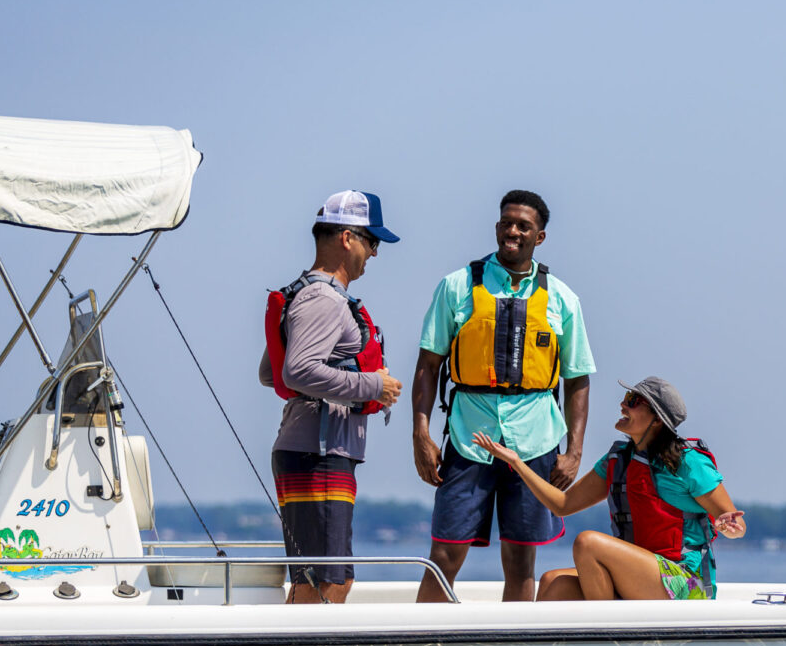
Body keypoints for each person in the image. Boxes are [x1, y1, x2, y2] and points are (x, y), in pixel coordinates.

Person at [411, 190, 594, 602]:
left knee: (520, 558)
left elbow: (578, 378)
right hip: (469, 435)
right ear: (496, 228)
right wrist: (420, 434)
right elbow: (427, 365)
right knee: (446, 551)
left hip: (536, 439)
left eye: (523, 226)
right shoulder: (457, 286)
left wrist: (575, 451)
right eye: (507, 223)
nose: (513, 231)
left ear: (539, 236)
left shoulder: (563, 298)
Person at [469, 376, 745, 601]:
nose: (623, 405)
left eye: (633, 402)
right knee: (553, 582)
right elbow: (562, 505)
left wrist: (729, 527)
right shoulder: (619, 460)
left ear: (657, 419)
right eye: (626, 399)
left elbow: (735, 524)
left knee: (588, 542)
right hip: (642, 574)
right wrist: (516, 463)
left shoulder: (689, 463)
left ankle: (610, 638)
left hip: (686, 584)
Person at [259, 190, 402, 603]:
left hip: (311, 449)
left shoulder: (305, 294)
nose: (374, 254)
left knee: (319, 579)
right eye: (371, 242)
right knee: (329, 582)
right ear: (347, 238)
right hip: (318, 454)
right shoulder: (324, 299)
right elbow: (298, 370)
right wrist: (375, 385)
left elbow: (272, 372)